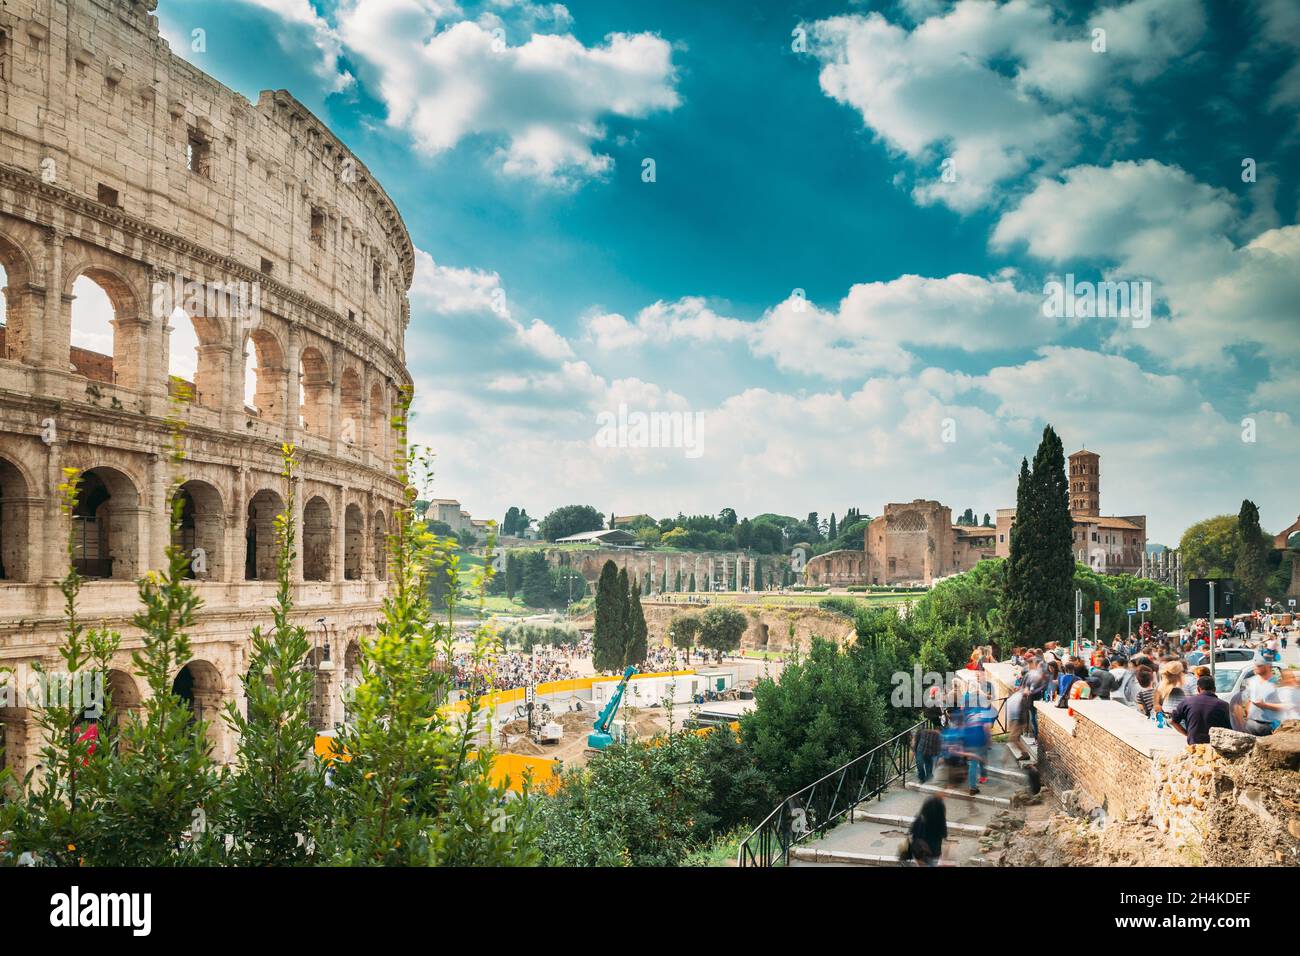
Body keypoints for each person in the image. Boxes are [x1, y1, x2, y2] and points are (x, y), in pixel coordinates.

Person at [1169, 675, 1232, 745]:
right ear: (1214, 689)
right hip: (1215, 747)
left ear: (1198, 689)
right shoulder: (1224, 705)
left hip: (1194, 746)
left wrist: (1187, 734)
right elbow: (1229, 728)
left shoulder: (1187, 702)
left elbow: (1172, 721)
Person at [1244, 663, 1284, 736]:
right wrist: (1247, 717)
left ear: (1268, 666)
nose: (1254, 667)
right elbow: (1250, 701)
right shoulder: (1252, 681)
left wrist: (1265, 705)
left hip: (1269, 725)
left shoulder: (1278, 683)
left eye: (1259, 665)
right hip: (1251, 723)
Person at [908, 794, 947, 866]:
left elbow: (912, 832)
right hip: (934, 852)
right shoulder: (940, 821)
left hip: (919, 852)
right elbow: (944, 834)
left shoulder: (919, 818)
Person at [914, 719, 941, 785]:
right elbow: (916, 740)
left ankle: (928, 777)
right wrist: (915, 749)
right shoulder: (922, 732)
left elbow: (939, 748)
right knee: (919, 763)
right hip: (921, 749)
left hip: (929, 751)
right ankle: (922, 777)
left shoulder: (939, 736)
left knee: (928, 763)